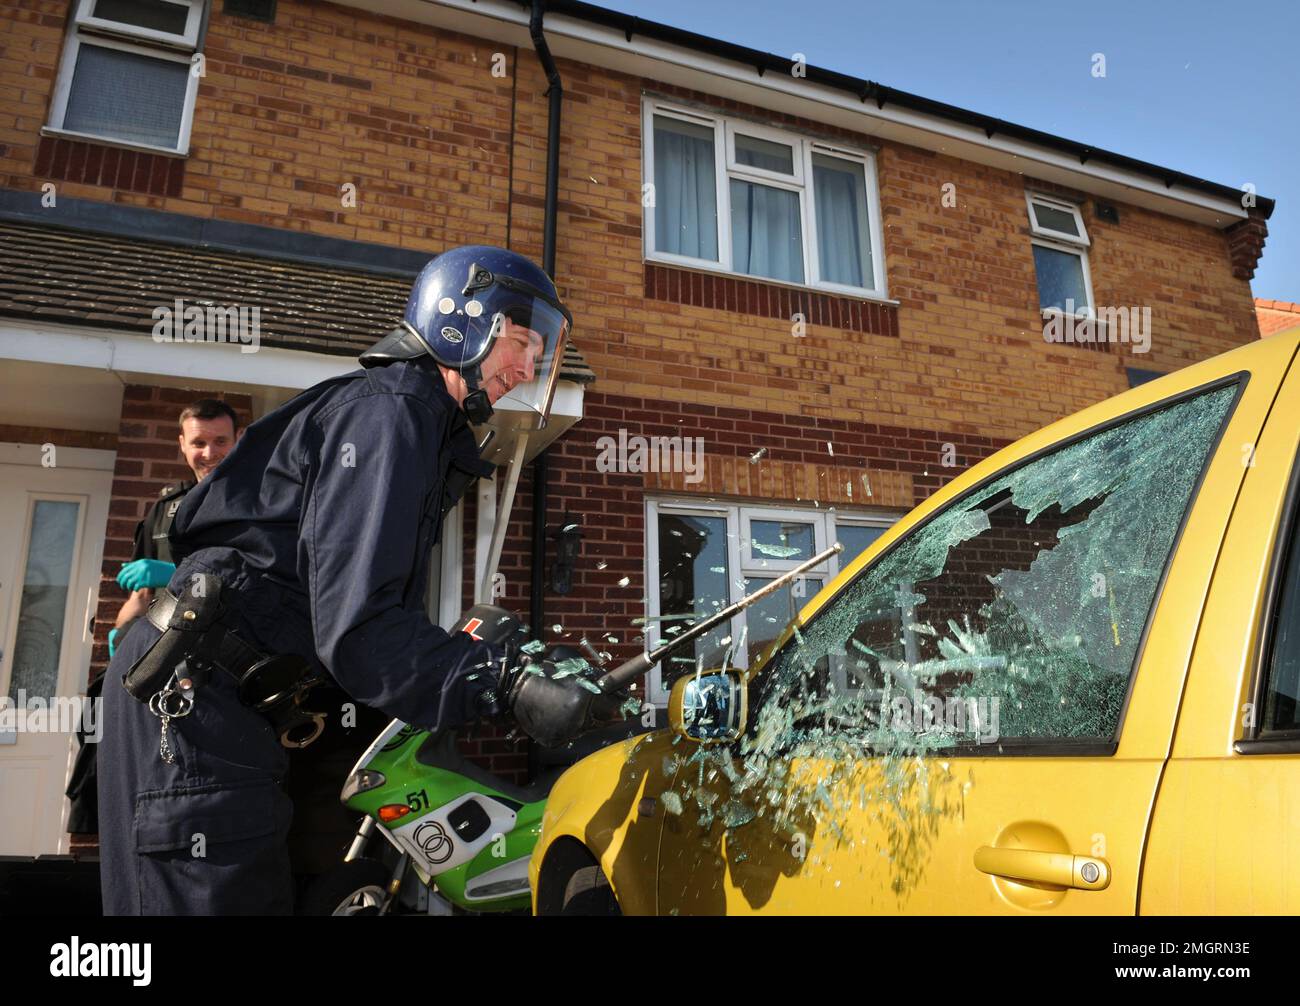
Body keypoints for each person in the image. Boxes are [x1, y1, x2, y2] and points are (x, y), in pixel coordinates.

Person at [96, 245, 610, 915]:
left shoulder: (419, 422)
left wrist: (505, 661)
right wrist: (506, 680)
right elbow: (361, 632)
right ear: (458, 322)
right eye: (518, 342)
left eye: (538, 356)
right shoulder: (392, 414)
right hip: (195, 701)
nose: (527, 368)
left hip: (219, 701)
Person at [64, 399, 240, 838]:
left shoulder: (253, 500)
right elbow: (141, 594)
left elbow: (250, 578)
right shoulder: (163, 509)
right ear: (182, 444)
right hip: (156, 653)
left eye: (221, 441)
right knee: (114, 738)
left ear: (237, 441)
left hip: (221, 659)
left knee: (193, 774)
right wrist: (119, 631)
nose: (210, 452)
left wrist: (178, 576)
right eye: (199, 442)